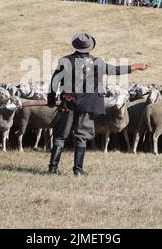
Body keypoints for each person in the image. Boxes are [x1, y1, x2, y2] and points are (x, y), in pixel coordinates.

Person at [47, 33, 149, 176]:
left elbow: (54, 82)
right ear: (90, 47)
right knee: (81, 136)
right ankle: (78, 170)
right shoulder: (97, 63)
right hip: (87, 105)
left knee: (60, 135)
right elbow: (116, 70)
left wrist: (51, 100)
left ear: (75, 46)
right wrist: (136, 66)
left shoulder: (65, 61)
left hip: (68, 103)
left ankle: (52, 168)